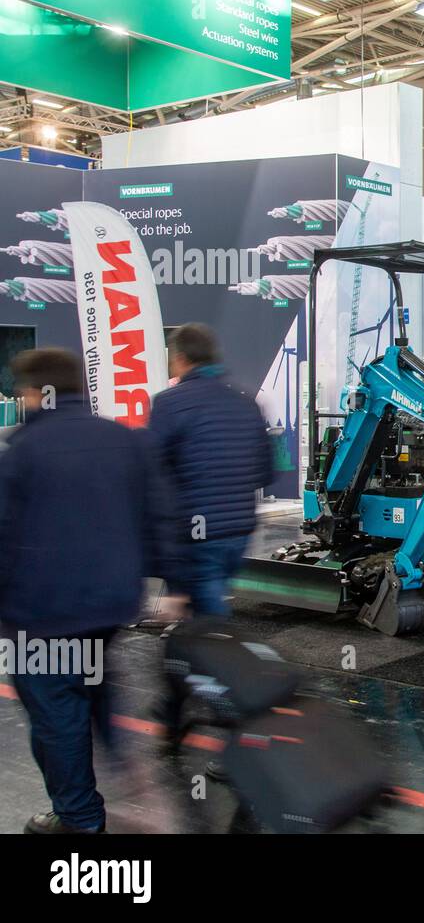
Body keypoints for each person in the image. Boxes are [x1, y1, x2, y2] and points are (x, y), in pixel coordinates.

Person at [0, 348, 172, 833]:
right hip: (111, 606)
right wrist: (172, 583)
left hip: (44, 613)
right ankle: (118, 756)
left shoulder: (23, 452)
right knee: (88, 683)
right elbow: (158, 516)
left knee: (56, 715)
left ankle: (79, 819)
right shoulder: (124, 440)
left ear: (35, 393)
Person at [149, 324, 273, 619]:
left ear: (179, 359)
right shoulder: (246, 403)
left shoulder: (169, 403)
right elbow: (265, 472)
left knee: (210, 617)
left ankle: (226, 658)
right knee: (202, 604)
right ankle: (197, 655)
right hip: (239, 531)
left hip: (196, 532)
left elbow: (153, 471)